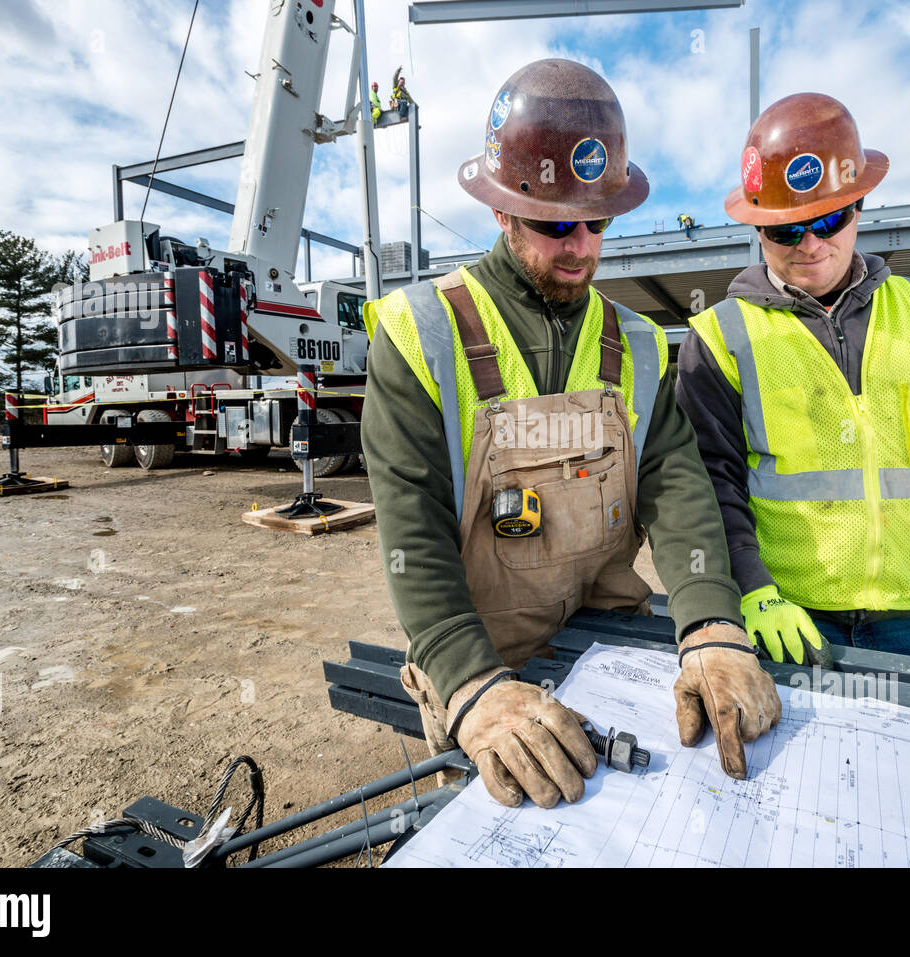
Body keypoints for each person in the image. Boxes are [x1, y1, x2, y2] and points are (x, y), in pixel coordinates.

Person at [362, 59, 780, 810]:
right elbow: (411, 528)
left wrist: (712, 620)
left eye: (598, 221)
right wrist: (472, 686)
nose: (582, 246)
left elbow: (676, 485)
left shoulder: (642, 346)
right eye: (556, 224)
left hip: (608, 649)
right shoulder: (422, 334)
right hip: (484, 664)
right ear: (500, 209)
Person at [677, 93, 910, 671]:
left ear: (858, 206)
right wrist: (749, 587)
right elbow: (706, 480)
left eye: (827, 220)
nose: (810, 244)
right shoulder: (721, 337)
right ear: (759, 229)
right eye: (786, 231)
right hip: (787, 621)